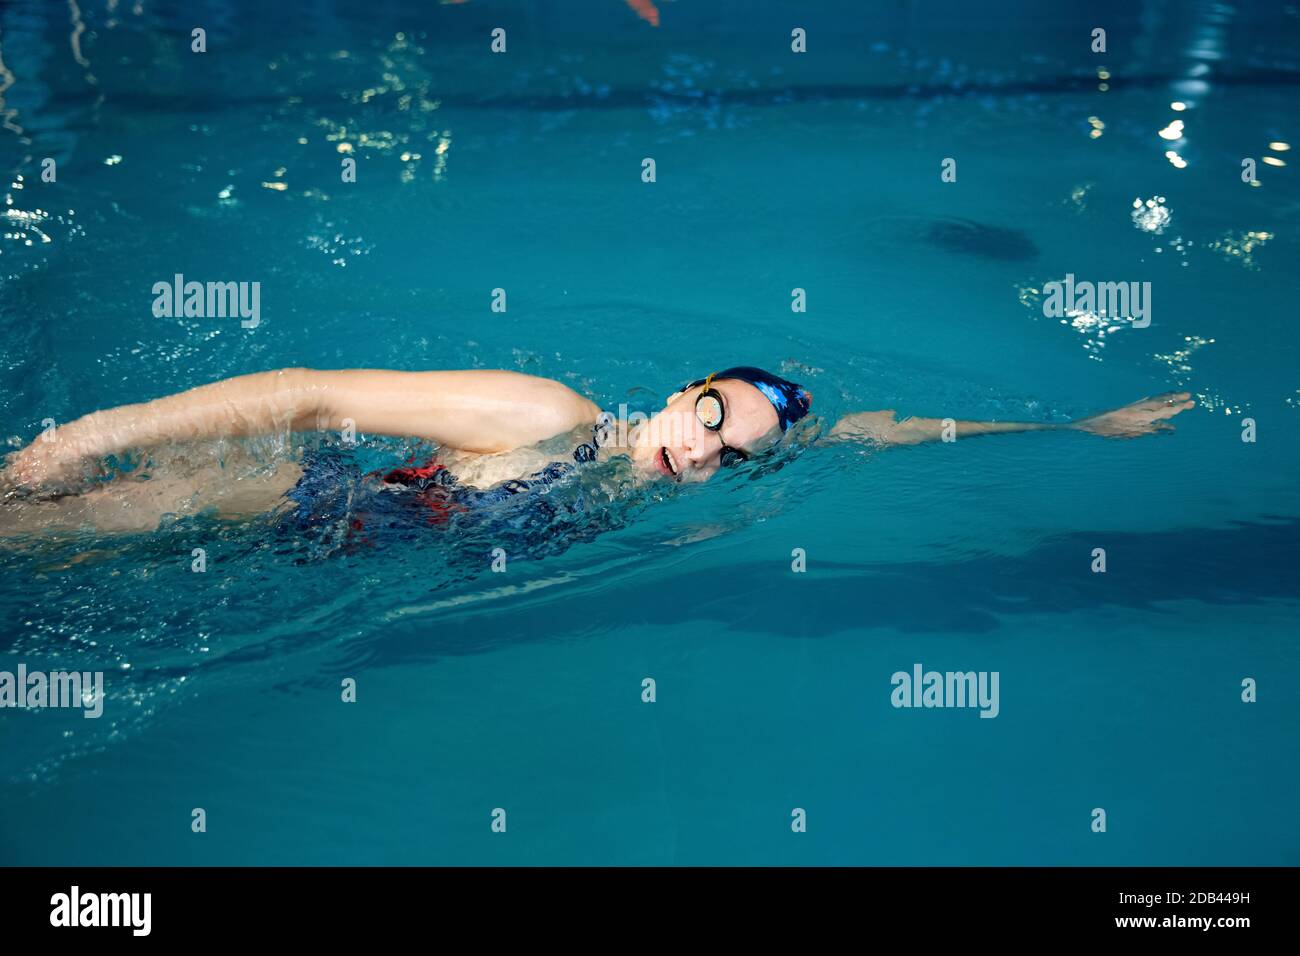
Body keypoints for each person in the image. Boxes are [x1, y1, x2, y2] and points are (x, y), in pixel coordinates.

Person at [0, 365, 1194, 536]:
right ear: (684, 391)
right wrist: (80, 436)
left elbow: (875, 432)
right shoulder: (546, 415)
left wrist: (1068, 428)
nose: (705, 450)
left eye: (736, 454)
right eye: (713, 416)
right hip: (283, 499)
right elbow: (309, 393)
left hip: (344, 554)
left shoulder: (649, 485)